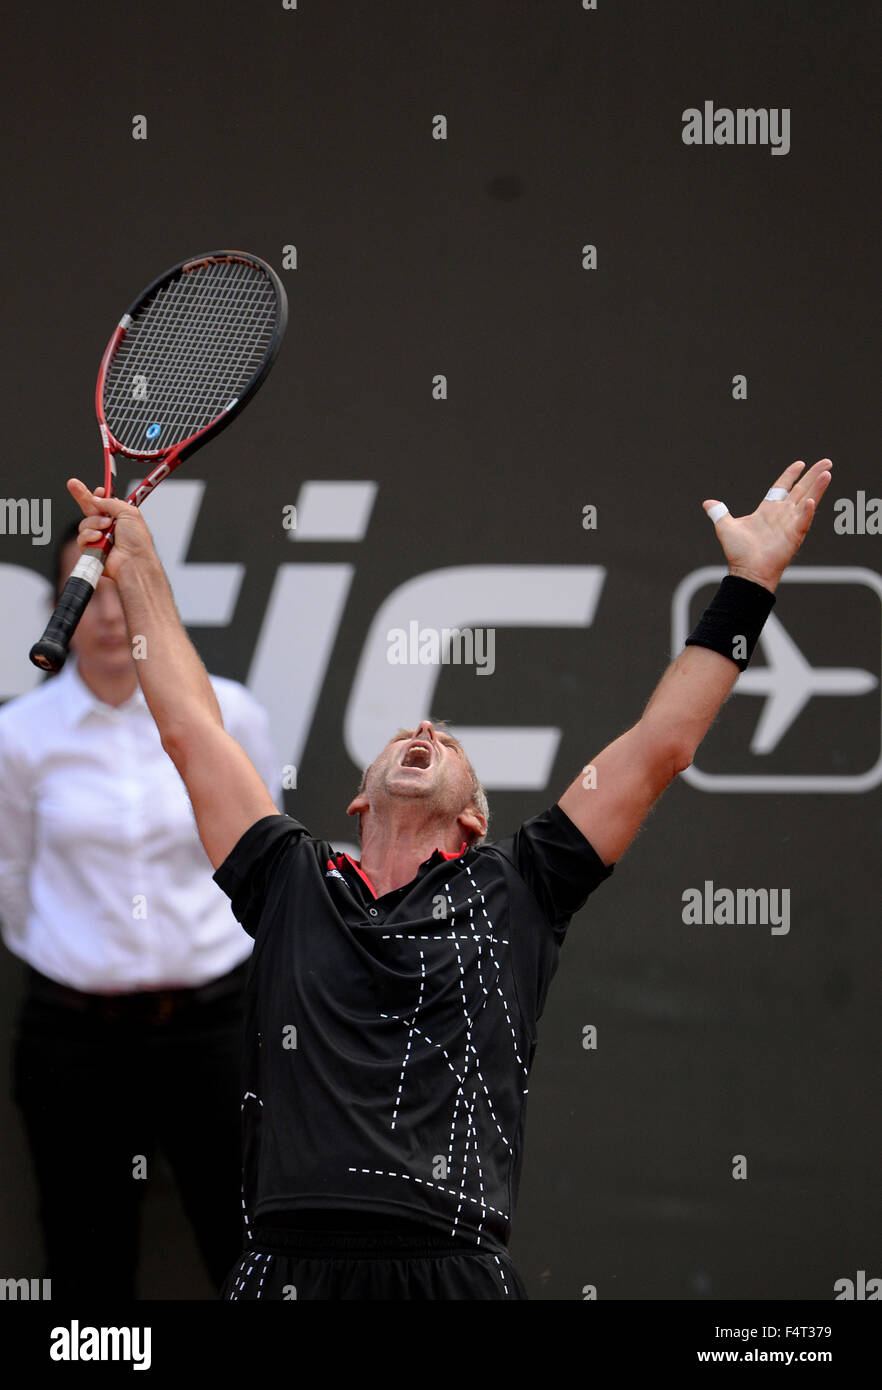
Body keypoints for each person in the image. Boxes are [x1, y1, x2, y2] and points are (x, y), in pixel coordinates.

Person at [64, 460, 831, 1300]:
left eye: (448, 743)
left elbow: (661, 746)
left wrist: (751, 582)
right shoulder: (289, 878)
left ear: (474, 818)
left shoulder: (523, 885)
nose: (425, 728)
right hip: (285, 1267)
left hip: (451, 1271)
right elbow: (188, 728)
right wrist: (135, 562)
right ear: (360, 798)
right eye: (405, 733)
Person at [0, 517, 282, 1300]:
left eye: (127, 589)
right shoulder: (17, 739)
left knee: (254, 1250)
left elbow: (262, 860)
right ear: (59, 604)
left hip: (219, 1029)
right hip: (75, 1040)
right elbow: (12, 882)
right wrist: (90, 960)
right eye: (88, 591)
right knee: (85, 1260)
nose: (111, 612)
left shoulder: (233, 714)